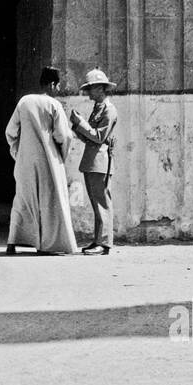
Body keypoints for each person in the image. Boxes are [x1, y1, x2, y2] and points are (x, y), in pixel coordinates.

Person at [4, 67, 77, 256]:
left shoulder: (24, 102)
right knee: (48, 201)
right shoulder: (54, 105)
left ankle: (13, 242)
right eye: (58, 85)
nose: (58, 89)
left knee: (23, 200)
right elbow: (63, 135)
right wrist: (61, 156)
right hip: (48, 161)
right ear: (52, 84)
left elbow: (11, 131)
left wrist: (18, 152)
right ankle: (44, 244)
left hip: (25, 160)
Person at [69, 69, 118, 255]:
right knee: (97, 203)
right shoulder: (99, 109)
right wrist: (78, 126)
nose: (88, 93)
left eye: (91, 88)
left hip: (101, 161)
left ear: (100, 88)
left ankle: (104, 243)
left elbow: (98, 137)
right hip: (93, 161)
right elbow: (90, 138)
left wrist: (81, 123)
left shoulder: (109, 109)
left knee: (102, 203)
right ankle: (99, 240)